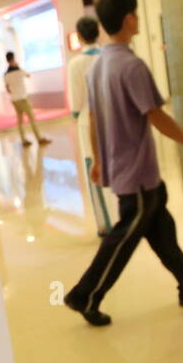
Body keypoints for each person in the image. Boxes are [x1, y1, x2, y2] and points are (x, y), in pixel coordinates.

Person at [64, 0, 183, 326]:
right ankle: (85, 294)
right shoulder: (132, 66)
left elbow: (92, 117)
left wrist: (97, 161)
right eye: (136, 14)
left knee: (162, 230)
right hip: (136, 174)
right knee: (122, 239)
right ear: (127, 19)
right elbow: (156, 116)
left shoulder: (98, 67)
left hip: (132, 172)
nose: (138, 19)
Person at [67, 16, 113, 236]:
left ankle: (105, 224)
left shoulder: (76, 64)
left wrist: (75, 115)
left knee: (94, 169)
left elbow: (76, 100)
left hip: (88, 123)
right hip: (114, 119)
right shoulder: (109, 56)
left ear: (81, 36)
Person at [3, 51, 51, 147]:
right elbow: (28, 75)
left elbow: (7, 89)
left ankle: (24, 140)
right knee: (32, 118)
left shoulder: (6, 74)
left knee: (20, 120)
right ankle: (39, 138)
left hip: (14, 99)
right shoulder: (19, 71)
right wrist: (19, 66)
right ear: (13, 58)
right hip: (22, 98)